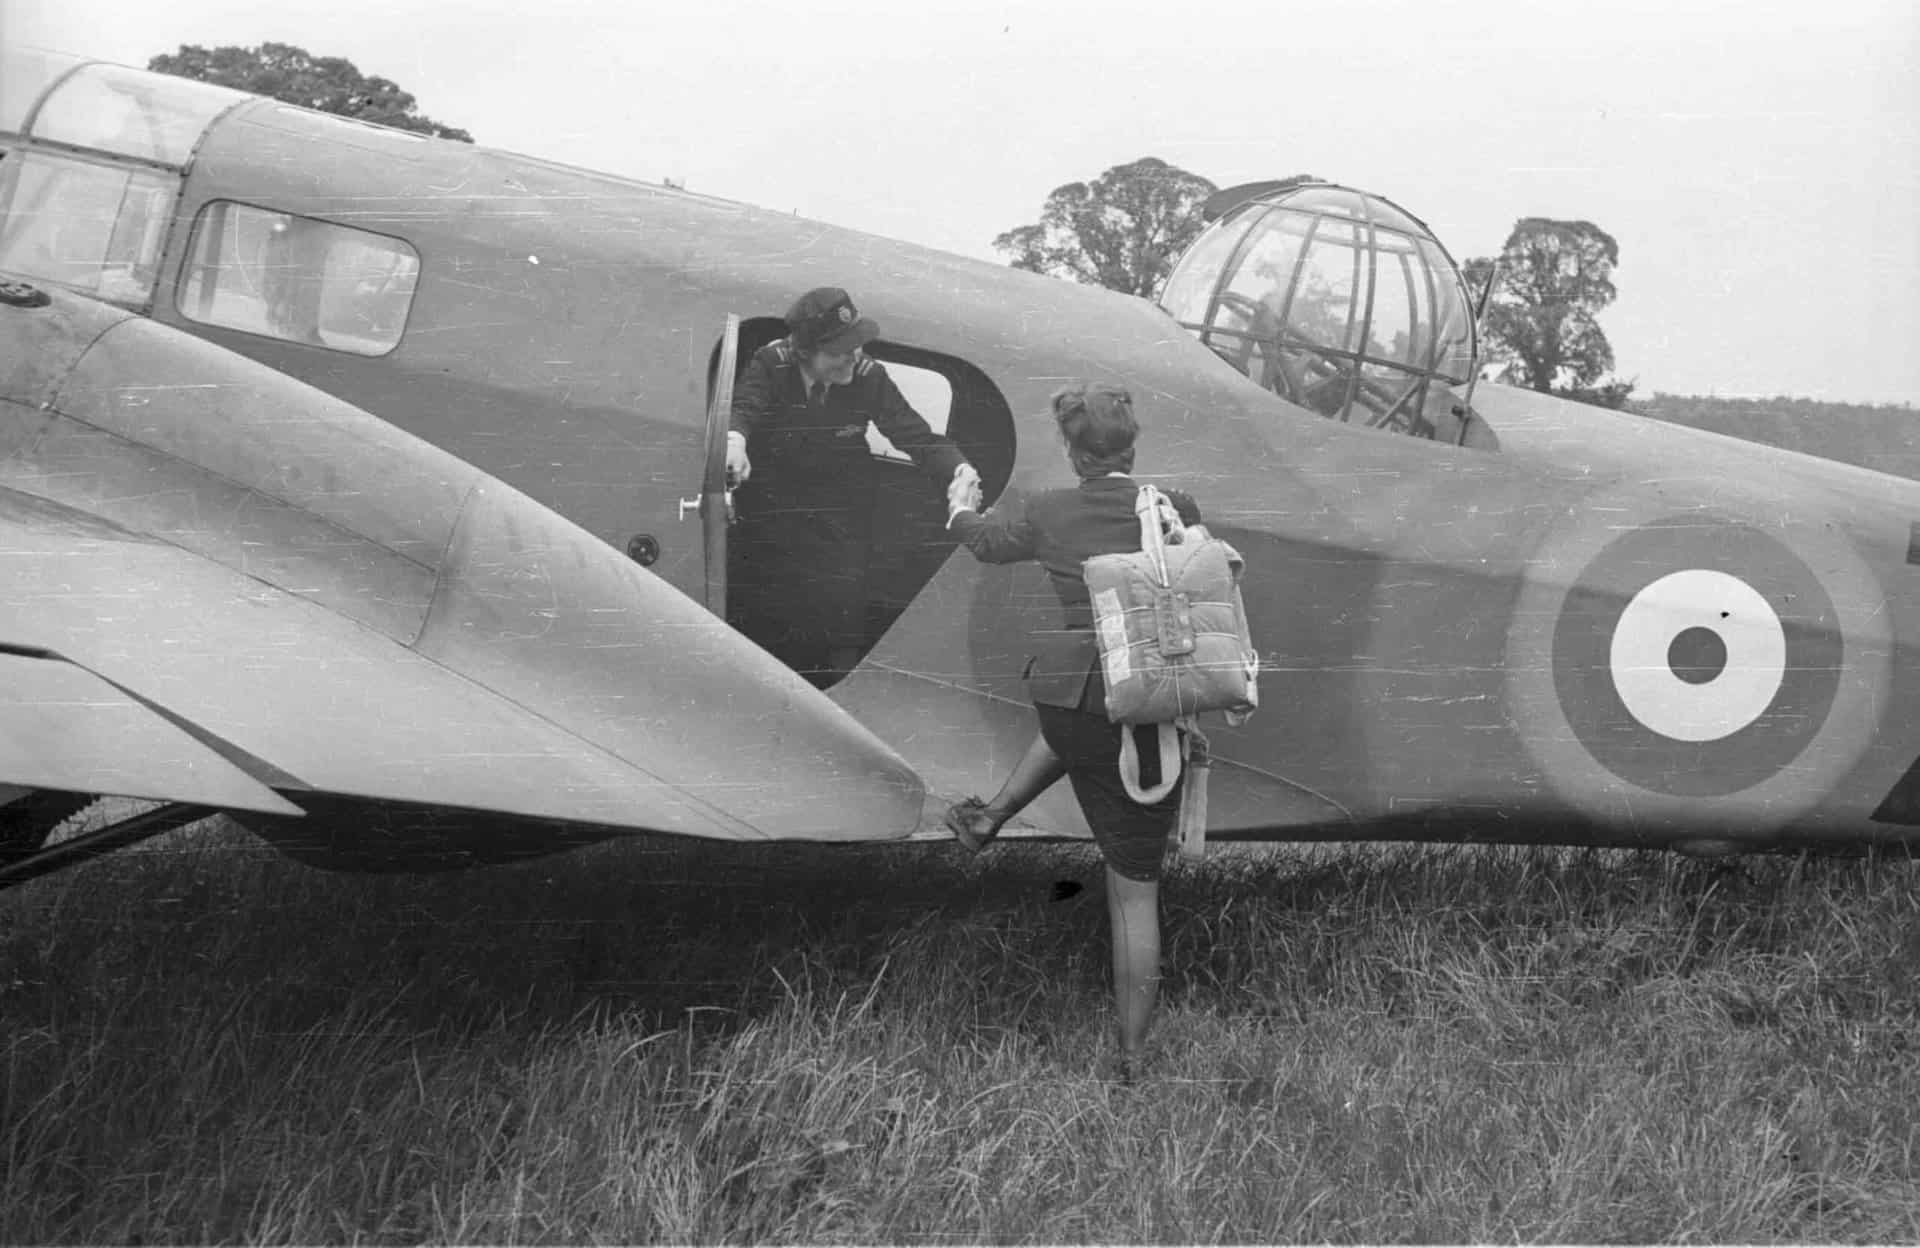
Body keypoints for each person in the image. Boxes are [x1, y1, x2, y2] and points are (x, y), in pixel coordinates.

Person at [944, 382, 1200, 1080]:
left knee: (1075, 738)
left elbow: (986, 544)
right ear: (1132, 445)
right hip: (1143, 714)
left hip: (1071, 702)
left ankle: (990, 817)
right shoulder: (1173, 506)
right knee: (1134, 890)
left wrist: (958, 506)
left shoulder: (1048, 509)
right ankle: (1133, 1061)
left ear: (1071, 449)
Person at [727, 287, 976, 687]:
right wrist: (735, 440)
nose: (853, 355)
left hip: (839, 509)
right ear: (806, 351)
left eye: (856, 345)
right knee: (766, 603)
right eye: (841, 349)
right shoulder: (772, 363)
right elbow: (743, 408)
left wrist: (959, 469)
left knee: (839, 605)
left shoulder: (867, 376)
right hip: (775, 505)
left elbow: (915, 435)